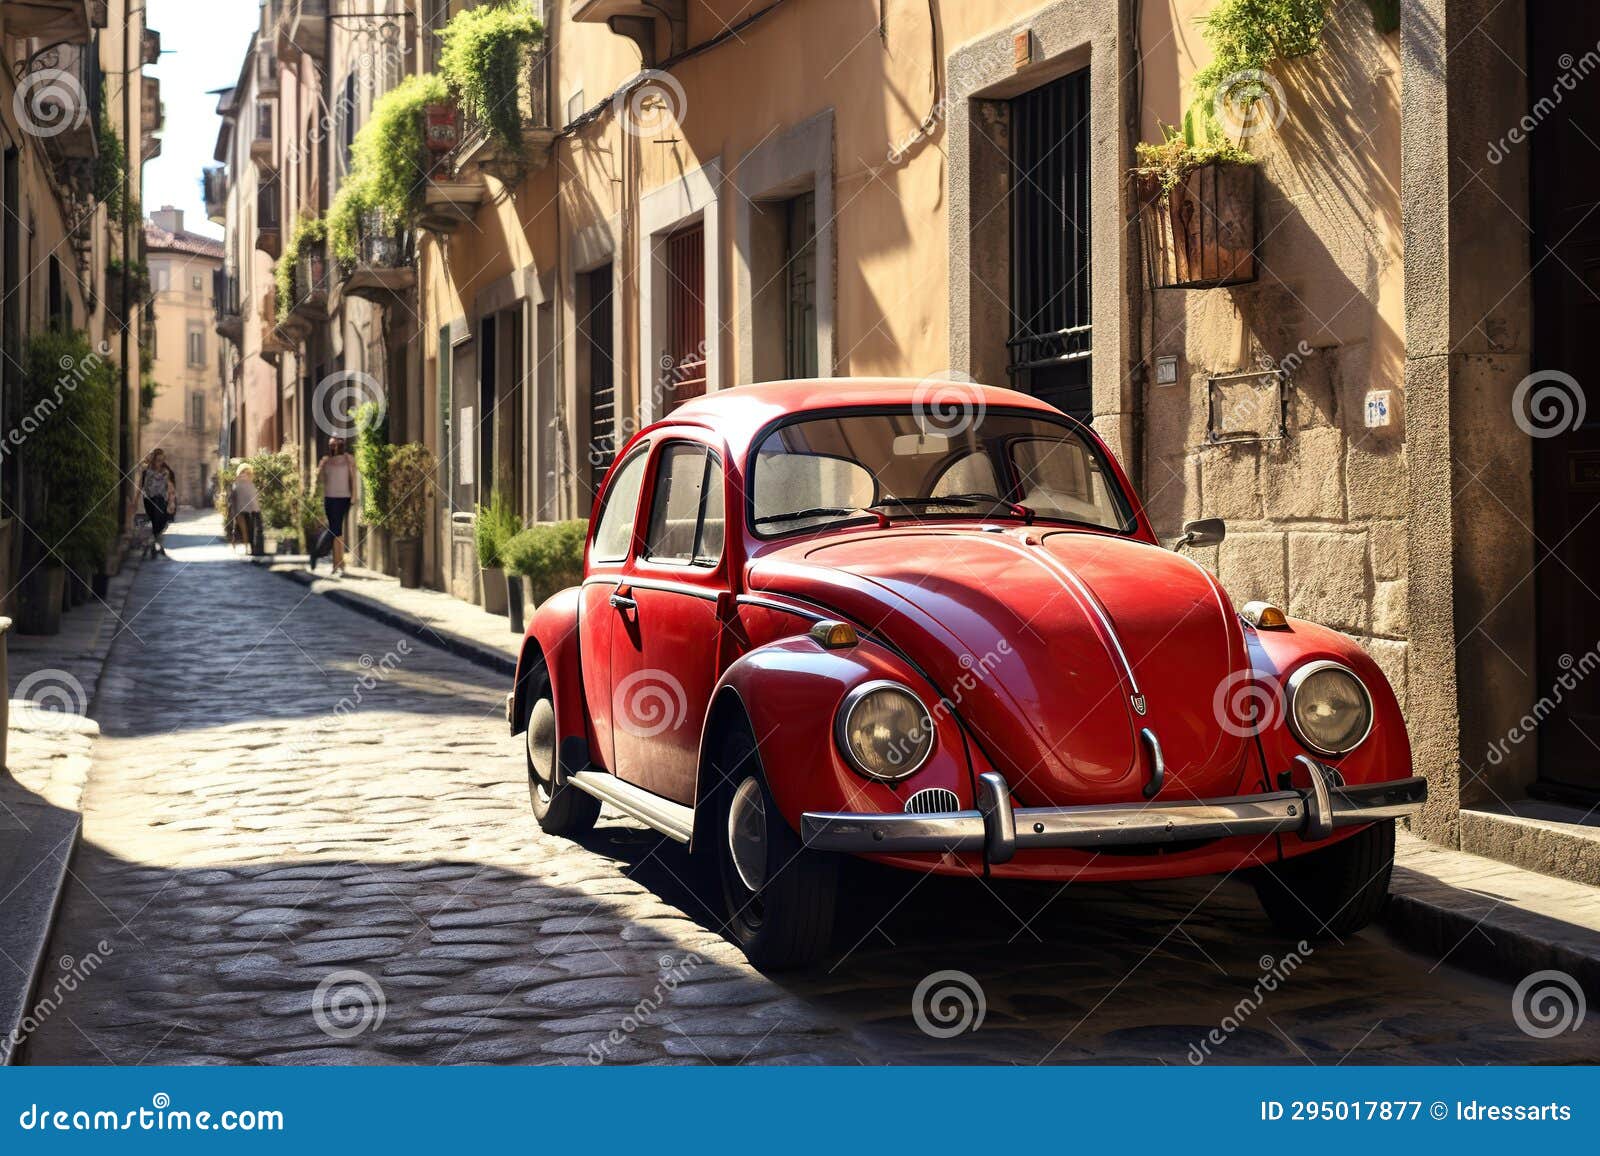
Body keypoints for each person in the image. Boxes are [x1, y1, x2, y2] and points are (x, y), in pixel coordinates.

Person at [316, 437, 356, 577]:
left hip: (344, 498)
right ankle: (338, 563)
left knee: (336, 530)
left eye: (337, 444)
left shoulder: (348, 459)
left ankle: (338, 564)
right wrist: (320, 469)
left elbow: (353, 477)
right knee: (336, 531)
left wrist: (354, 495)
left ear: (342, 445)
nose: (334, 447)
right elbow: (320, 480)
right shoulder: (326, 461)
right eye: (331, 444)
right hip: (329, 498)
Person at [137, 449, 178, 558]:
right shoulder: (146, 471)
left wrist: (171, 501)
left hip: (162, 500)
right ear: (154, 460)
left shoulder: (166, 472)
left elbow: (170, 488)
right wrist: (135, 501)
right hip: (149, 500)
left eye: (162, 460)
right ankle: (155, 547)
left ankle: (152, 545)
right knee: (156, 521)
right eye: (158, 460)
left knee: (161, 522)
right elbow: (140, 485)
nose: (160, 462)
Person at [232, 464, 260, 556]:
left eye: (247, 472)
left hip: (252, 510)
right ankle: (247, 548)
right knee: (244, 530)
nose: (245, 474)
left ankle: (252, 548)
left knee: (251, 529)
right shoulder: (236, 484)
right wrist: (234, 512)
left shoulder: (251, 484)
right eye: (243, 472)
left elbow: (254, 498)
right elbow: (233, 499)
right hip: (240, 511)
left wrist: (257, 509)